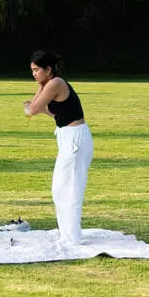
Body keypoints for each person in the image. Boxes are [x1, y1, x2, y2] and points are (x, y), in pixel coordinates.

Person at [23, 48, 93, 247]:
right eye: (32, 70)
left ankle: (73, 237)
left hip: (75, 140)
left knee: (70, 189)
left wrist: (34, 104)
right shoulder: (49, 83)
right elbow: (51, 113)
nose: (34, 74)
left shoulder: (56, 83)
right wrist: (37, 95)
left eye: (37, 70)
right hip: (67, 137)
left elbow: (33, 109)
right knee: (60, 188)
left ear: (48, 69)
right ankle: (67, 234)